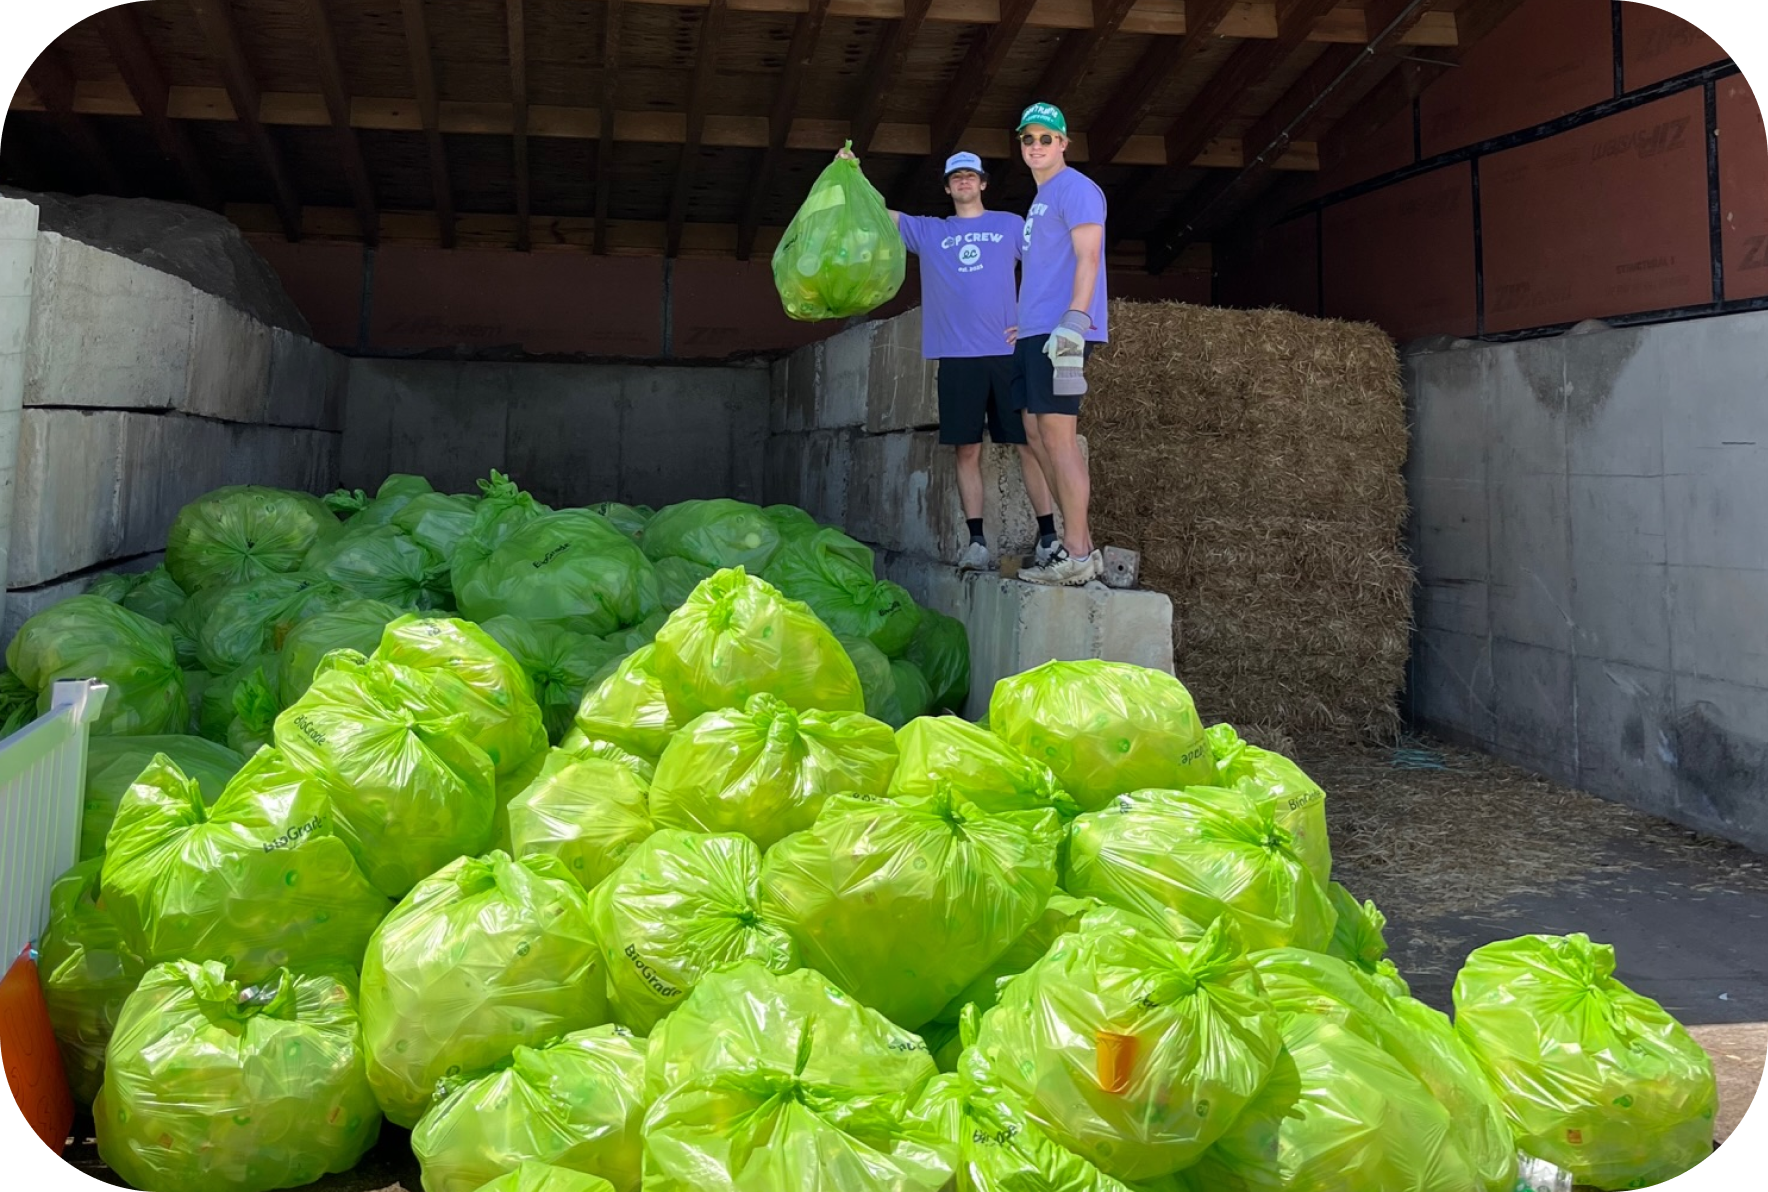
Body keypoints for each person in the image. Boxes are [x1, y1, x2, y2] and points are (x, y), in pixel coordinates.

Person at [836, 145, 1058, 572]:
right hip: (957, 357)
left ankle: (1049, 536)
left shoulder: (1010, 225)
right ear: (947, 186)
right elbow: (881, 214)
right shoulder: (930, 231)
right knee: (966, 450)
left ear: (983, 183)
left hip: (1007, 354)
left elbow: (1049, 267)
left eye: (970, 175)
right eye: (956, 177)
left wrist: (1036, 320)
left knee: (1030, 444)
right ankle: (976, 542)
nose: (964, 181)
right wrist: (852, 176)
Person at [1009, 101, 1107, 587]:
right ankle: (1080, 546)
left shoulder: (1077, 188)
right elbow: (1047, 269)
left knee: (1058, 436)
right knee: (1033, 430)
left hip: (1062, 332)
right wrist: (1025, 324)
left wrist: (1075, 318)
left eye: (1046, 138)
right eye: (1028, 138)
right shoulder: (1042, 197)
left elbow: (1088, 257)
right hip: (1036, 331)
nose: (1036, 146)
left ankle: (1077, 550)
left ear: (1064, 143)